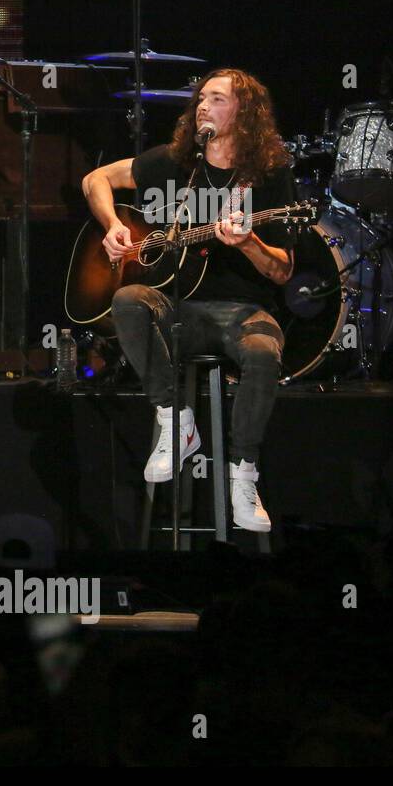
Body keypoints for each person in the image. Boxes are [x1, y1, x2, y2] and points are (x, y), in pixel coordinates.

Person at [81, 68, 295, 531]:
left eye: (217, 99)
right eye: (201, 99)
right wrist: (113, 227)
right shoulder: (175, 163)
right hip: (180, 307)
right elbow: (95, 179)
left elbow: (282, 270)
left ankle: (243, 475)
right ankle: (175, 419)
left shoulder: (269, 176)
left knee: (262, 351)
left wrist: (249, 243)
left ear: (244, 112)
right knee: (129, 298)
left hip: (244, 312)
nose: (203, 106)